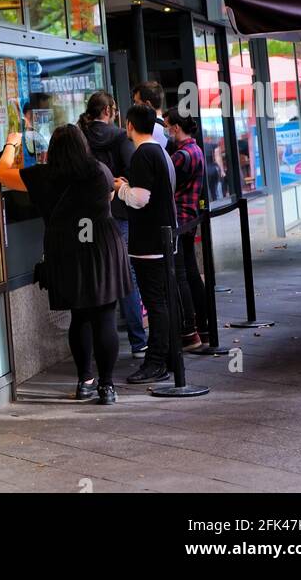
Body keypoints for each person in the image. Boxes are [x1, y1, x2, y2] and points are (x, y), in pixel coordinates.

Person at [0, 123, 132, 405]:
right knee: (104, 317)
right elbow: (109, 197)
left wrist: (11, 143)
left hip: (67, 250)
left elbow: (2, 173)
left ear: (54, 149)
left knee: (79, 316)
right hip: (101, 247)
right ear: (83, 145)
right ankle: (107, 387)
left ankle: (85, 381)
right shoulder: (99, 171)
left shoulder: (42, 175)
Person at [79, 91, 148, 360]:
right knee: (125, 273)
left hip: (86, 216)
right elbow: (135, 170)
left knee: (92, 274)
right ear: (108, 111)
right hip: (117, 213)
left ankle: (95, 342)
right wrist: (121, 185)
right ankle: (138, 341)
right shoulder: (120, 137)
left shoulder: (80, 135)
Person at [114, 103, 177, 384]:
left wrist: (120, 188)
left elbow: (140, 199)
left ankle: (156, 362)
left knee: (155, 303)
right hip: (162, 239)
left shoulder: (142, 155)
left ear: (130, 125)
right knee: (161, 301)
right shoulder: (159, 152)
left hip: (149, 243)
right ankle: (168, 357)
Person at [165, 106, 208, 350]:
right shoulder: (195, 149)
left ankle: (189, 332)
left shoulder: (181, 155)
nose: (164, 130)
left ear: (175, 127)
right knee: (191, 272)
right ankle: (204, 326)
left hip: (179, 219)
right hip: (189, 218)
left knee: (181, 274)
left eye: (166, 125)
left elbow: (163, 179)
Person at [132, 80, 169, 149]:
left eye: (137, 102)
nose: (134, 106)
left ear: (147, 104)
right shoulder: (168, 126)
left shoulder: (148, 130)